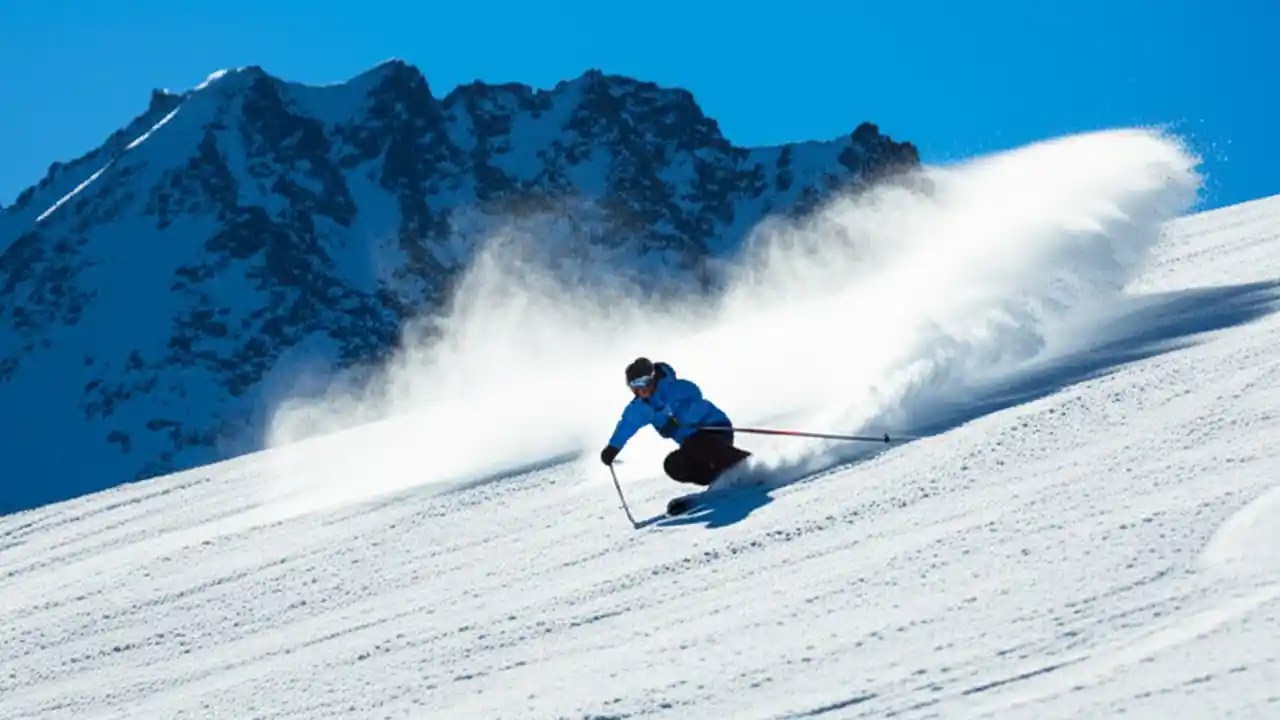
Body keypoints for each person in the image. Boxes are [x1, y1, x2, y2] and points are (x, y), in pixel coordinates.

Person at [600, 357, 751, 486]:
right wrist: (612, 448)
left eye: (644, 382)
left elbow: (695, 394)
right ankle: (719, 481)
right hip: (692, 444)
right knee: (673, 465)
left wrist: (679, 418)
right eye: (635, 385)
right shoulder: (640, 407)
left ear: (653, 378)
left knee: (694, 443)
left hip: (714, 428)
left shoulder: (673, 388)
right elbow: (627, 424)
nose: (642, 389)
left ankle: (746, 464)